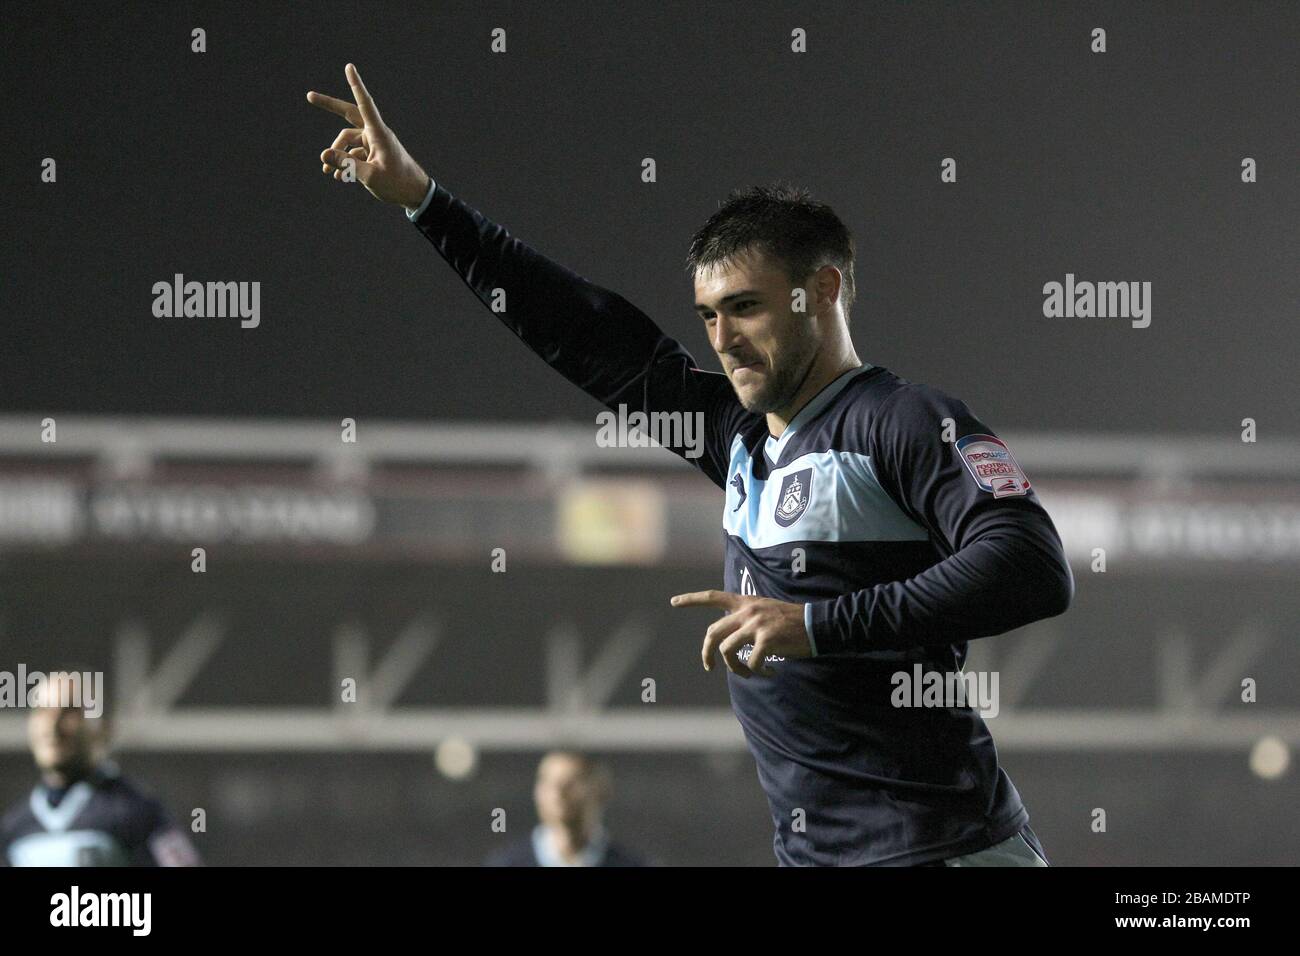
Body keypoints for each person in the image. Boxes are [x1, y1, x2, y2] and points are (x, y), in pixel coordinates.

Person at [307, 65, 1072, 866]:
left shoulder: (902, 421)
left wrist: (816, 625)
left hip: (944, 851)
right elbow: (587, 331)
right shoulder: (736, 435)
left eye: (746, 308)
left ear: (822, 290)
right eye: (708, 315)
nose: (723, 339)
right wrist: (426, 201)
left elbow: (1031, 566)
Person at [0, 672, 201, 867]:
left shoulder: (136, 811)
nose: (52, 726)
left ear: (103, 727)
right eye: (43, 711)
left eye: (69, 711)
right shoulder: (14, 825)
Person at [486, 751, 646, 867]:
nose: (558, 793)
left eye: (572, 783)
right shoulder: (506, 863)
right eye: (549, 782)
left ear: (601, 791)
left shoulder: (631, 864)